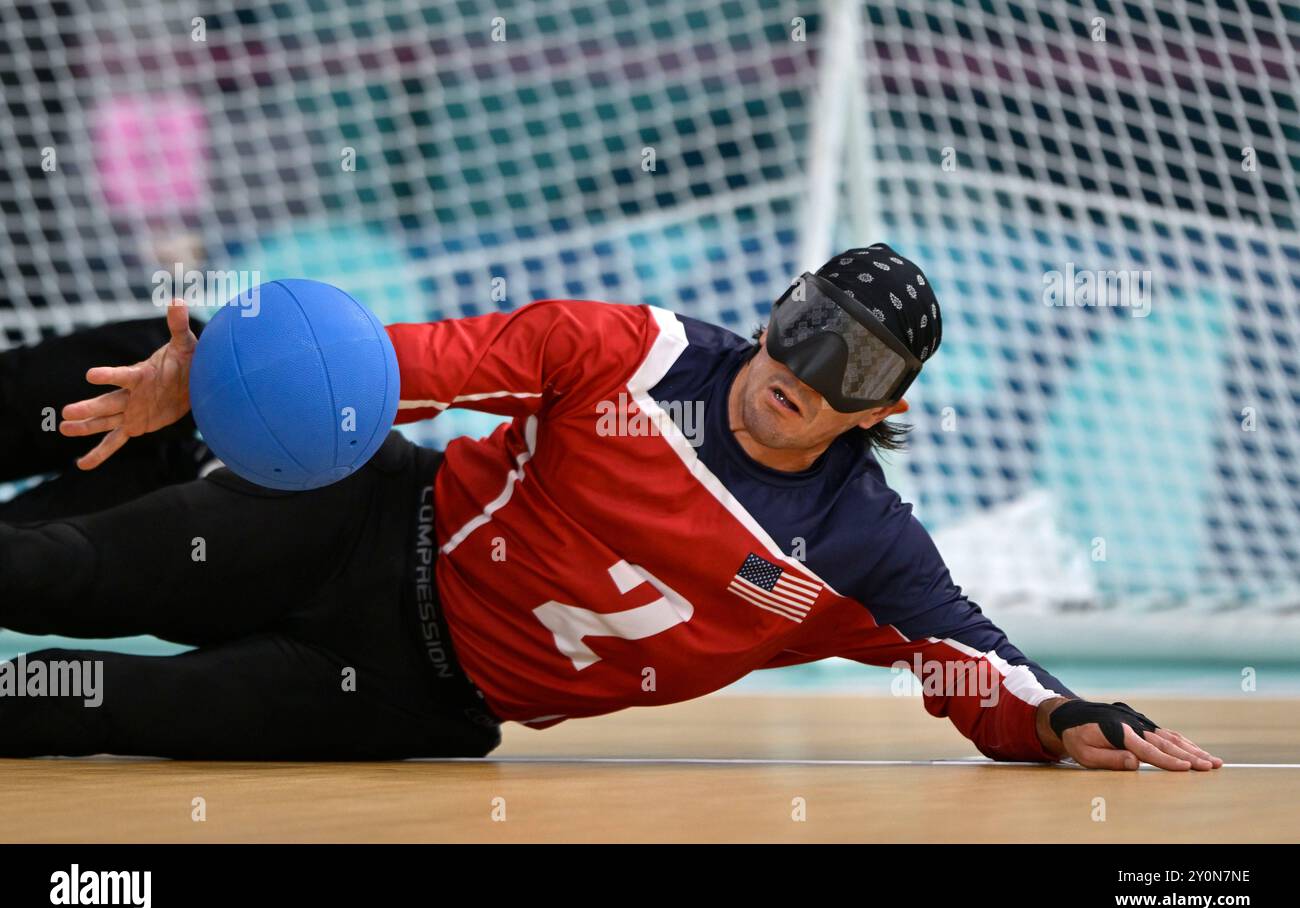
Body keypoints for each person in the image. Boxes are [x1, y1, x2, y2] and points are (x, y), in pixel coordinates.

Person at [0, 245, 1222, 770]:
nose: (804, 370)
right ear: (777, 307)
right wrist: (210, 378)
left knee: (88, 699)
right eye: (805, 329)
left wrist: (1063, 717)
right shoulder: (627, 355)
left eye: (853, 369)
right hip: (365, 522)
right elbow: (404, 366)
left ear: (881, 409)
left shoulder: (857, 546)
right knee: (48, 568)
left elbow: (969, 663)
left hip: (410, 692)